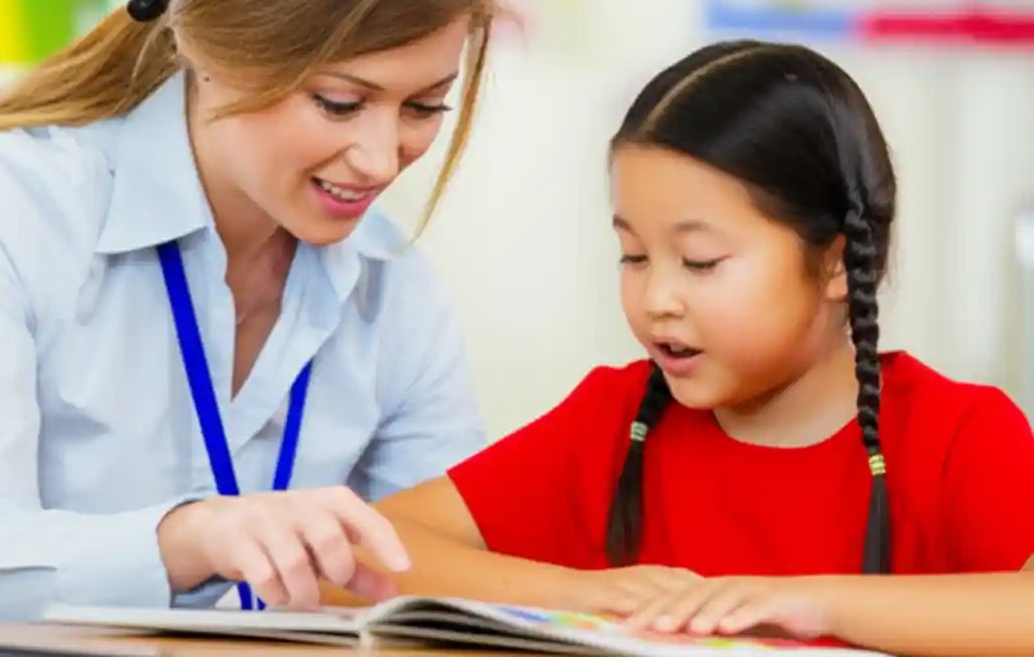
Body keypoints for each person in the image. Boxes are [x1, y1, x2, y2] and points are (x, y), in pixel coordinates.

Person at [0, 0, 495, 652]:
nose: (379, 159)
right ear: (215, 54)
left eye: (423, 108)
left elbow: (426, 573)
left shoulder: (395, 288)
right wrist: (197, 534)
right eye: (339, 103)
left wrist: (590, 598)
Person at [342, 41, 1034, 656]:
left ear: (833, 263)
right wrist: (582, 596)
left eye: (700, 261)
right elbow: (347, 558)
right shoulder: (615, 420)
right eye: (634, 256)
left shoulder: (959, 437)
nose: (657, 299)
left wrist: (810, 605)